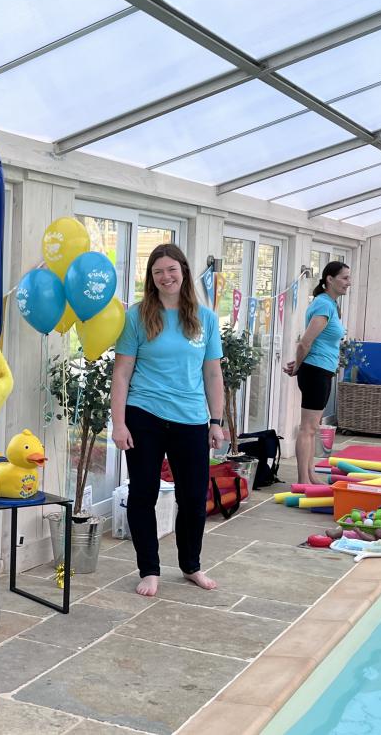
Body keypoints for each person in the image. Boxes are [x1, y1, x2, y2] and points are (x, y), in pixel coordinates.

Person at [111, 244, 225, 597]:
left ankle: (191, 565)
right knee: (142, 494)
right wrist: (118, 424)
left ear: (184, 271)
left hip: (191, 419)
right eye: (158, 271)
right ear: (151, 278)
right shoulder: (137, 316)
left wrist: (216, 421)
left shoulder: (204, 319)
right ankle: (149, 569)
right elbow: (122, 374)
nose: (166, 276)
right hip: (144, 415)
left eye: (171, 269)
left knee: (193, 499)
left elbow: (213, 375)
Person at [284, 261, 351, 486]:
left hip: (320, 370)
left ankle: (311, 474)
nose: (348, 283)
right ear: (329, 279)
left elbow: (313, 344)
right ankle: (303, 480)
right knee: (308, 428)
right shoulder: (324, 305)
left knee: (312, 428)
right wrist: (300, 367)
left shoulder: (328, 304)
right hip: (315, 371)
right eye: (344, 278)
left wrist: (301, 365)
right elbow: (305, 342)